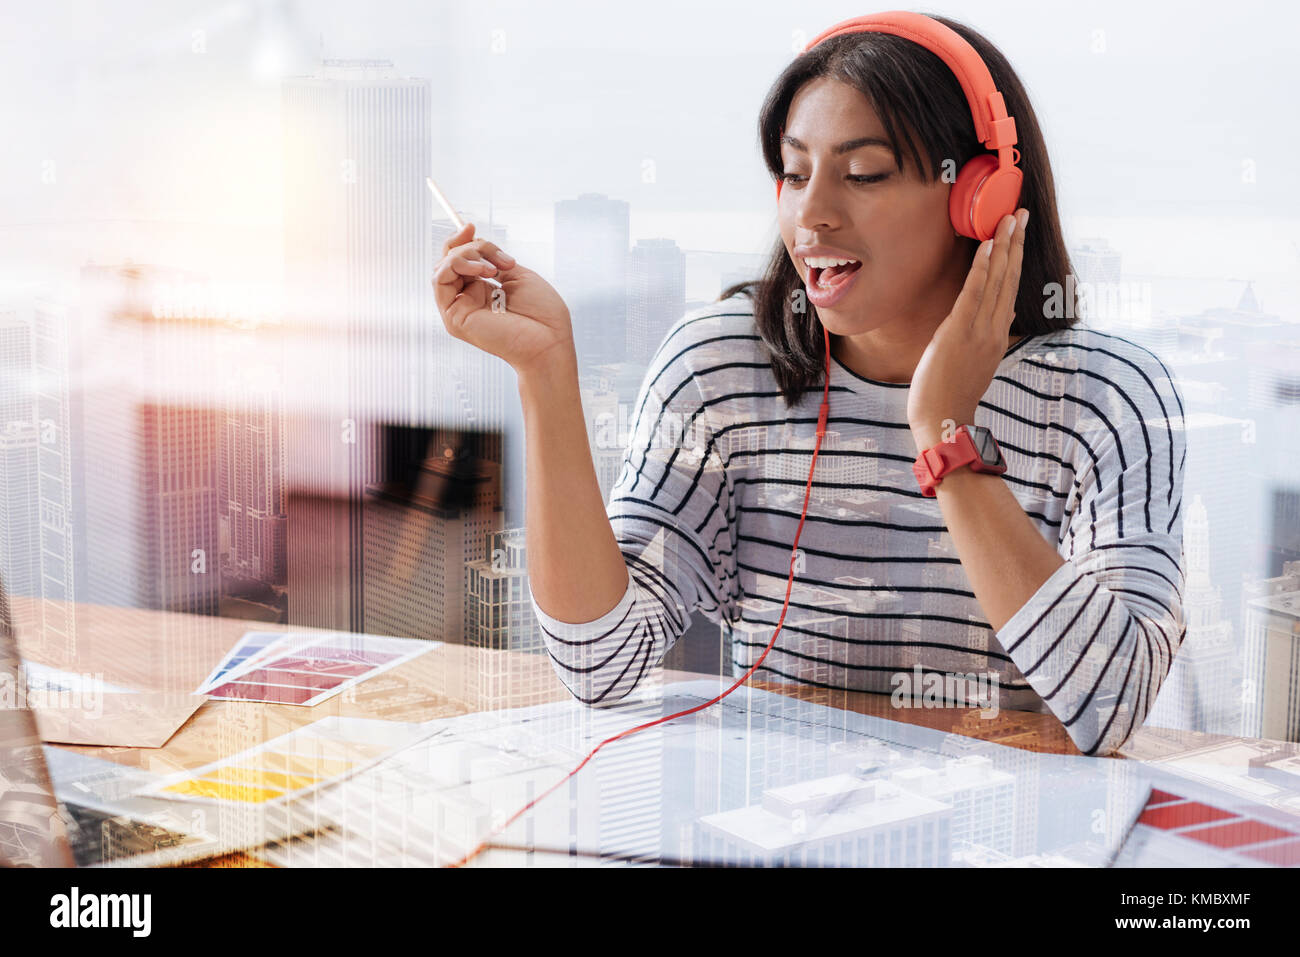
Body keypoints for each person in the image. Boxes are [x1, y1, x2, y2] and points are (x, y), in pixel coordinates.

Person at [433, 14, 1186, 758]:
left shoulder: (1107, 396)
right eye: (794, 173)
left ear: (979, 196)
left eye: (863, 174)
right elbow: (600, 661)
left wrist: (946, 435)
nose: (812, 215)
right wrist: (545, 374)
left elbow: (1112, 703)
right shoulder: (719, 369)